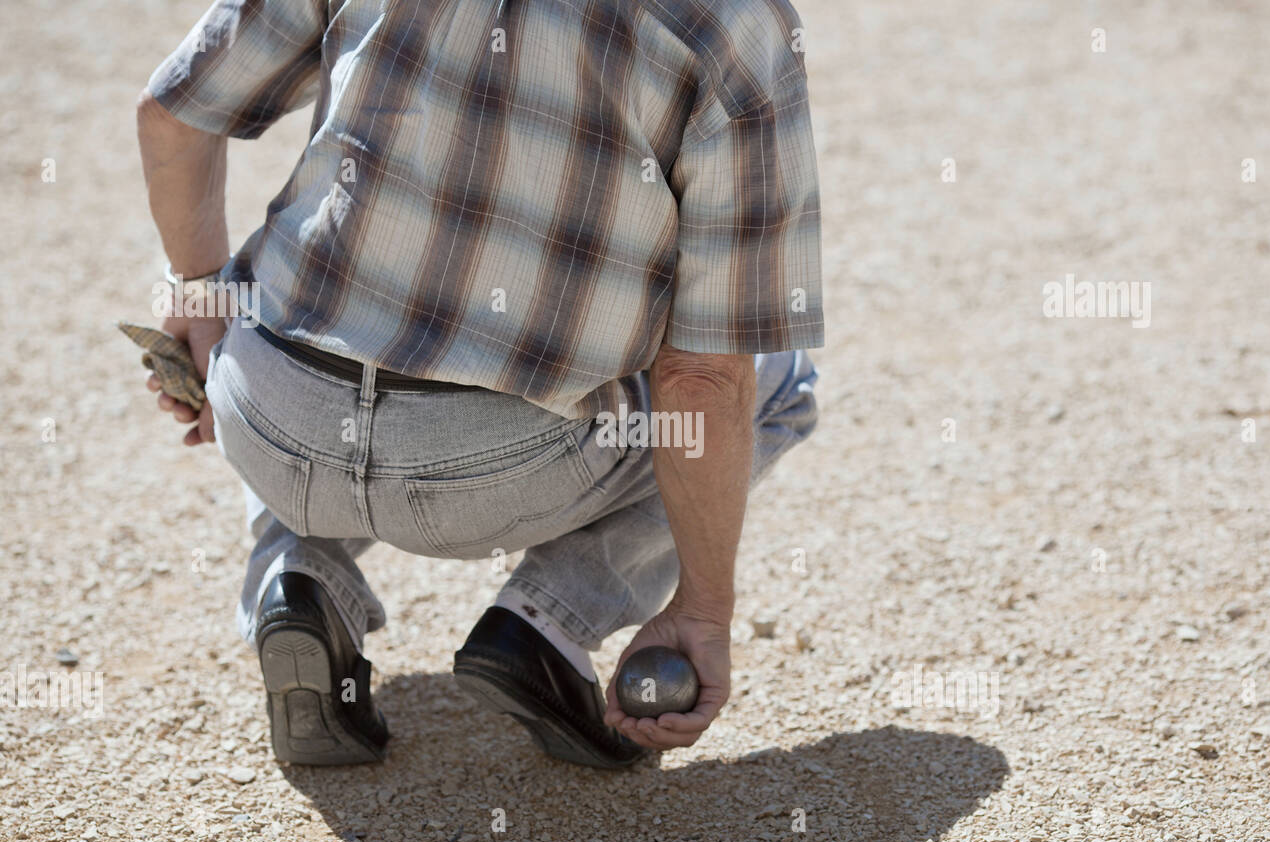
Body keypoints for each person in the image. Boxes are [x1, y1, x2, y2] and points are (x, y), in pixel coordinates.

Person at [137, 0, 823, 770]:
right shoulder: (736, 21)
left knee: (274, 296)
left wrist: (197, 294)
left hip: (273, 420)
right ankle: (549, 619)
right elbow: (702, 378)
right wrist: (704, 609)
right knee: (773, 377)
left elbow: (173, 116)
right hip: (495, 472)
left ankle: (297, 578)